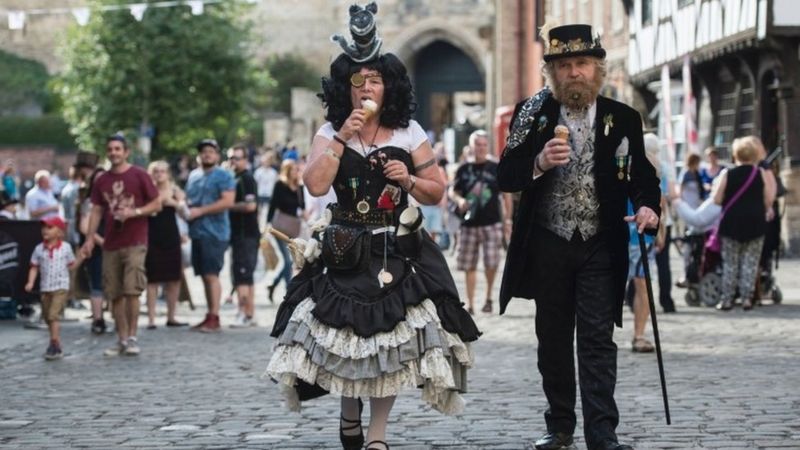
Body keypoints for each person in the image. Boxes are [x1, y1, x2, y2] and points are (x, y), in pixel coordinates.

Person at [265, 7, 480, 449]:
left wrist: (409, 180)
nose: (367, 88)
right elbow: (315, 183)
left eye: (375, 80)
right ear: (346, 89)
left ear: (390, 86)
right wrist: (343, 136)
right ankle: (349, 413)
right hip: (345, 246)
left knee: (390, 344)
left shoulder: (410, 131)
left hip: (396, 248)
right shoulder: (331, 131)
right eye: (358, 81)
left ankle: (377, 437)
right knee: (345, 339)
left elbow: (436, 191)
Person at [497, 24, 661, 450]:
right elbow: (506, 175)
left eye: (582, 63)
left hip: (599, 244)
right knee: (552, 338)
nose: (574, 73)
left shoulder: (623, 117)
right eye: (564, 65)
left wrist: (648, 207)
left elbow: (642, 177)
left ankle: (603, 434)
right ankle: (560, 426)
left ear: (598, 68)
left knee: (596, 340)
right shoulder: (531, 113)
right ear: (551, 72)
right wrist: (537, 161)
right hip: (548, 242)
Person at [81, 135, 161, 356]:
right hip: (110, 243)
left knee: (132, 290)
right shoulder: (102, 180)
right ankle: (122, 339)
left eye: (118, 149)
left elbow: (157, 203)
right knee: (114, 293)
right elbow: (96, 210)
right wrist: (89, 239)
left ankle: (133, 338)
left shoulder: (139, 175)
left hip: (135, 240)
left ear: (126, 152)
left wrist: (134, 212)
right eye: (110, 149)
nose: (114, 152)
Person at [450, 130, 512, 314]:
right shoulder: (463, 168)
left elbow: (506, 195)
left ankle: (488, 298)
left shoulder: (495, 167)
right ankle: (470, 303)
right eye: (477, 144)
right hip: (468, 224)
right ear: (471, 146)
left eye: (484, 144)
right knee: (469, 265)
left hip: (492, 223)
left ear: (488, 146)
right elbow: (452, 191)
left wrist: (508, 220)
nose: (481, 148)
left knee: (491, 263)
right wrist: (460, 200)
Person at [713, 136, 776, 311]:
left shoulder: (728, 173)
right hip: (755, 223)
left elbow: (717, 199)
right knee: (750, 262)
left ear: (736, 154)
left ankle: (727, 300)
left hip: (731, 223)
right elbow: (769, 199)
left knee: (730, 263)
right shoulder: (760, 174)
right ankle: (747, 299)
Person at [184, 139, 235, 332]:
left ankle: (215, 317)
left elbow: (228, 201)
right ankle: (209, 315)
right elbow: (190, 200)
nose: (207, 154)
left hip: (215, 232)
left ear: (217, 155)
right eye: (203, 151)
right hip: (197, 231)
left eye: (211, 152)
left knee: (211, 275)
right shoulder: (193, 175)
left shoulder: (223, 175)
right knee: (204, 276)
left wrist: (201, 211)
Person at [628, 134, 667, 352]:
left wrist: (660, 230)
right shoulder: (618, 157)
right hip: (618, 233)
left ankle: (639, 335)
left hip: (641, 234)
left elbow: (659, 200)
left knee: (643, 286)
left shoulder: (652, 163)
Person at [25, 216, 82, 360]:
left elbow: (72, 265)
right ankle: (55, 342)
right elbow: (34, 267)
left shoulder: (66, 248)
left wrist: (81, 257)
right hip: (45, 287)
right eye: (43, 227)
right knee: (47, 317)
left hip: (60, 287)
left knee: (53, 315)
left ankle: (54, 343)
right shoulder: (39, 249)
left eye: (50, 227)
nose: (45, 230)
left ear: (59, 232)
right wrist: (30, 282)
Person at [144, 161, 186, 329]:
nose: (159, 174)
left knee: (174, 279)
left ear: (168, 174)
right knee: (152, 280)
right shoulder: (148, 191)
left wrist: (174, 203)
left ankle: (171, 316)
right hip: (152, 237)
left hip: (171, 236)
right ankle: (151, 318)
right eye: (156, 171)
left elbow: (185, 212)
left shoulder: (175, 191)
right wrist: (161, 201)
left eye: (162, 171)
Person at [228, 145, 260, 328]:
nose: (234, 161)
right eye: (231, 158)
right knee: (245, 275)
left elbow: (250, 206)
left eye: (237, 158)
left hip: (246, 234)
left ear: (245, 160)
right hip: (239, 235)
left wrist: (226, 205)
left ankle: (244, 314)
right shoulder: (234, 177)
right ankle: (249, 313)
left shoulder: (246, 178)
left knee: (242, 276)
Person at [266, 159, 305, 303]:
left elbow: (302, 206)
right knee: (288, 262)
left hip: (293, 228)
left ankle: (273, 284)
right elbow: (272, 205)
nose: (296, 172)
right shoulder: (280, 185)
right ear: (288, 171)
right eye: (294, 169)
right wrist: (267, 225)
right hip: (280, 227)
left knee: (289, 261)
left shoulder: (299, 187)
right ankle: (289, 292)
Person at [78, 168, 107, 334]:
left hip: (111, 246)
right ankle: (98, 319)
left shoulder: (113, 200)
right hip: (96, 247)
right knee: (97, 283)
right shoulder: (89, 202)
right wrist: (101, 242)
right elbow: (84, 226)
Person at [254, 149, 278, 228]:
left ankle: (265, 227)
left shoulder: (273, 172)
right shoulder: (258, 172)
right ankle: (258, 226)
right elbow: (256, 183)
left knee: (267, 212)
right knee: (259, 212)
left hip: (269, 194)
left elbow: (275, 184)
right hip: (260, 194)